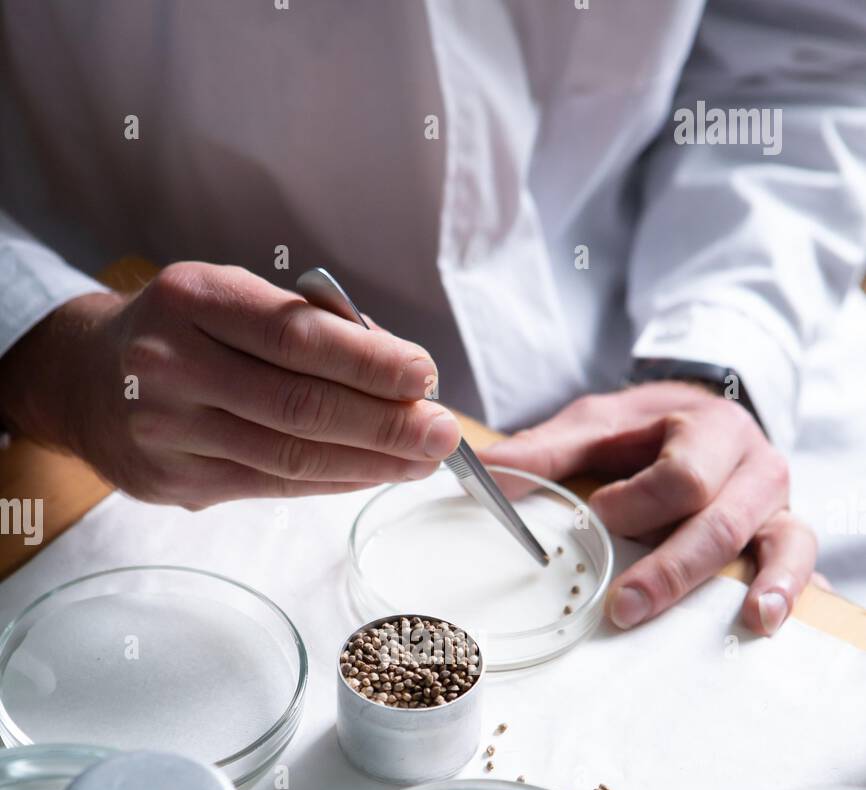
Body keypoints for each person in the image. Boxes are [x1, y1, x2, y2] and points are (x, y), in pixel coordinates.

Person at [1, 0, 865, 633]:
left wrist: (719, 352)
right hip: (150, 404)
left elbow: (805, 58)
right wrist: (47, 348)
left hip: (663, 334)